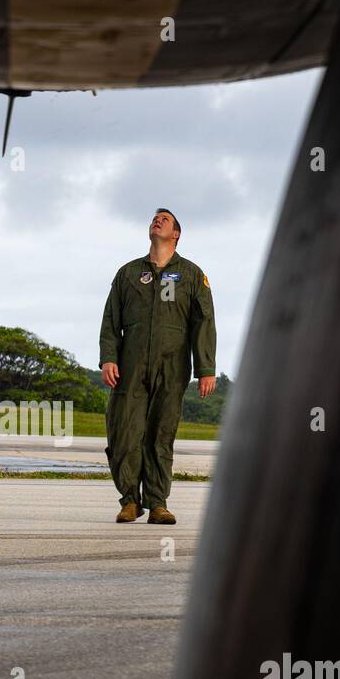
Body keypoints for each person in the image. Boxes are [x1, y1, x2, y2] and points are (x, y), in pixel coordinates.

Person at [99, 208, 216, 523]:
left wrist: (205, 368)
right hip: (131, 366)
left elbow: (203, 323)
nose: (157, 220)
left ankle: (157, 503)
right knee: (124, 432)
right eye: (155, 218)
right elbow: (111, 320)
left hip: (172, 366)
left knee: (161, 434)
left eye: (165, 219)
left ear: (176, 234)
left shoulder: (191, 274)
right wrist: (108, 357)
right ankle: (129, 501)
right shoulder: (128, 273)